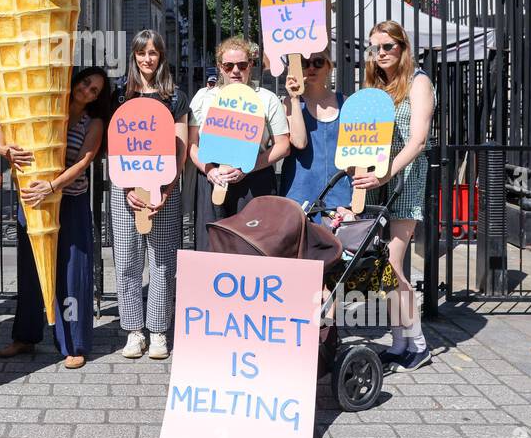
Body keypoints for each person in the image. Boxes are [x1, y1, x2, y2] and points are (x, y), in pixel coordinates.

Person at [0, 67, 112, 369]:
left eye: (95, 91)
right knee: (30, 271)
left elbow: (85, 160)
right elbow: (4, 125)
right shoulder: (48, 105)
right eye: (86, 83)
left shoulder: (95, 122)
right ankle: (25, 336)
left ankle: (73, 343)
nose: (87, 91)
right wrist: (4, 149)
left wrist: (52, 186)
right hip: (34, 201)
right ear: (77, 80)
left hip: (70, 201)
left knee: (72, 273)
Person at [350, 20, 436, 373]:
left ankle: (417, 344)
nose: (381, 53)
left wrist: (387, 172)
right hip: (376, 177)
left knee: (392, 264)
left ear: (402, 47)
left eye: (388, 46)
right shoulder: (376, 85)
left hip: (404, 177)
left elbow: (417, 140)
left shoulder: (419, 81)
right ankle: (400, 343)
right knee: (382, 262)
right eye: (375, 47)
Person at [109, 30, 189, 361]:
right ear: (134, 56)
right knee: (127, 261)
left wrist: (166, 193)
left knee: (162, 261)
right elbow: (113, 148)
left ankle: (157, 331)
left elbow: (180, 148)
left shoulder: (175, 97)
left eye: (153, 53)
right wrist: (128, 190)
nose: (147, 59)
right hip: (124, 191)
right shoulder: (120, 95)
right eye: (142, 53)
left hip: (164, 192)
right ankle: (133, 331)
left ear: (162, 56)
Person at [189, 37, 294, 251]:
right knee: (211, 248)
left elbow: (283, 145)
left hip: (254, 180)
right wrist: (209, 170)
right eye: (228, 66)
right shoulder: (204, 97)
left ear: (251, 65)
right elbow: (192, 145)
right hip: (212, 178)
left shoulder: (267, 98)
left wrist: (248, 168)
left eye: (242, 65)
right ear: (220, 67)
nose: (235, 71)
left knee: (253, 247)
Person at [279, 49, 352, 225]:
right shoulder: (289, 103)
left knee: (340, 249)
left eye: (318, 62)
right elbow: (299, 142)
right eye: (304, 63)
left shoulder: (346, 102)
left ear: (329, 67)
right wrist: (295, 99)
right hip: (301, 190)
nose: (311, 68)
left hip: (339, 193)